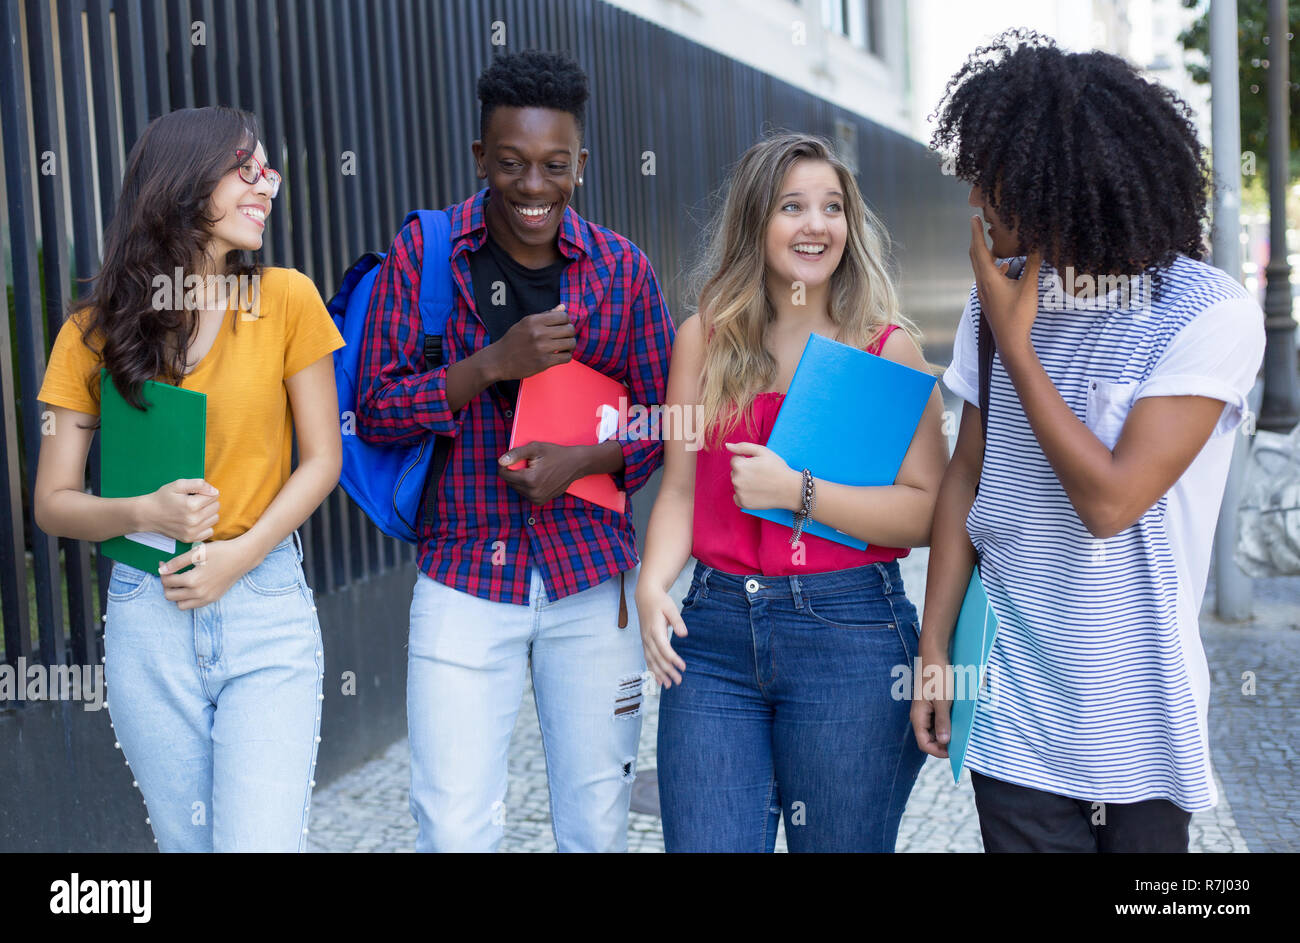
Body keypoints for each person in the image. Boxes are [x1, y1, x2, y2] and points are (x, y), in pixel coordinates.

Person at [912, 31, 1267, 853]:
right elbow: (967, 472)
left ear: (1072, 199)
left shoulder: (1206, 313)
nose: (984, 219)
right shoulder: (995, 307)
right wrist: (935, 648)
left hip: (1142, 724)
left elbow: (1109, 501)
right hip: (1016, 712)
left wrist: (1019, 342)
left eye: (1002, 203)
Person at [356, 50, 675, 852]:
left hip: (589, 579)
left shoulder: (620, 270)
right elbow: (376, 413)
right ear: (480, 159)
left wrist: (583, 462)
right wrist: (485, 367)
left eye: (554, 166)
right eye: (511, 164)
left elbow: (669, 419)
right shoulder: (424, 257)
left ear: (580, 164)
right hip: (463, 578)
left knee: (597, 822)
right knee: (453, 824)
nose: (533, 187)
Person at [33, 106, 345, 852]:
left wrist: (238, 556)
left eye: (268, 169)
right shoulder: (91, 329)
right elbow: (52, 503)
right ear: (182, 182)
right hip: (147, 612)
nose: (267, 184)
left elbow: (324, 459)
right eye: (247, 167)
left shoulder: (287, 298)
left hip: (263, 596)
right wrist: (144, 508)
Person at [636, 131, 948, 852]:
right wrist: (655, 584)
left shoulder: (883, 348)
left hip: (852, 638)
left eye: (833, 207)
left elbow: (929, 508)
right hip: (712, 640)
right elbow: (679, 489)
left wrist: (798, 491)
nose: (817, 224)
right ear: (755, 222)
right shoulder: (704, 340)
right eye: (793, 206)